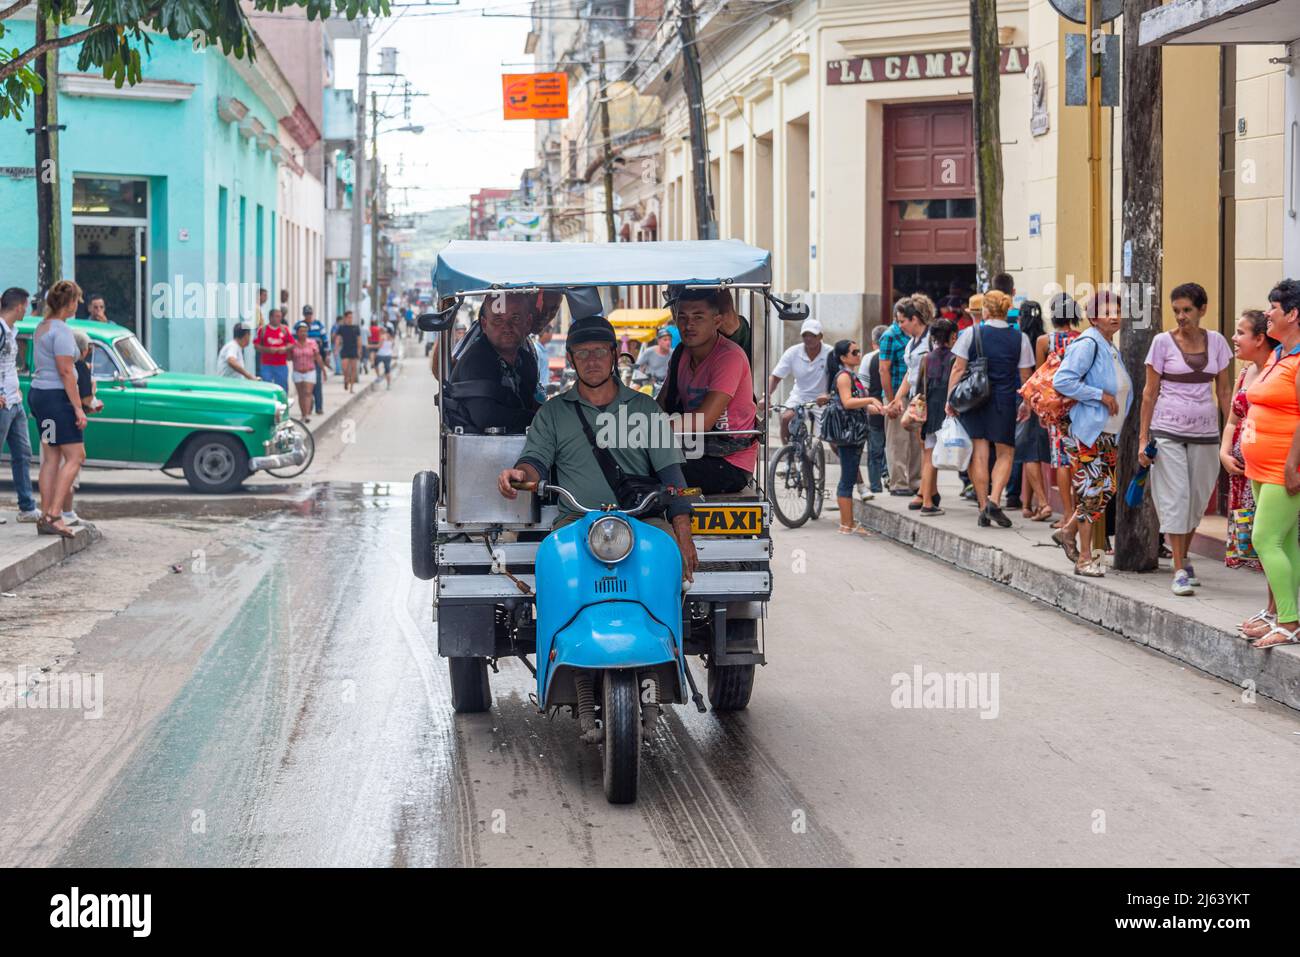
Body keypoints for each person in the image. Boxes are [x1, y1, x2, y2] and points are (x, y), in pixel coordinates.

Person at [496, 315, 698, 580]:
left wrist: (683, 535)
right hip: (575, 522)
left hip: (641, 519)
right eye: (582, 353)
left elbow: (672, 476)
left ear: (614, 354)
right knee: (553, 570)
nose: (592, 360)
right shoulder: (552, 413)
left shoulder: (645, 408)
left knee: (669, 569)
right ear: (571, 359)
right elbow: (535, 462)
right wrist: (520, 475)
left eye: (600, 351)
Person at [1138, 282, 1234, 596]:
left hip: (1206, 433)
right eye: (1176, 310)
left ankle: (1184, 556)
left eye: (1187, 310)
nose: (1181, 316)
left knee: (1196, 501)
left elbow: (1223, 391)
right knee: (1175, 497)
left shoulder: (1217, 342)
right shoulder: (1162, 343)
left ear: (1202, 309)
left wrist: (1233, 433)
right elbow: (1149, 394)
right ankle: (1178, 567)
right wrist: (1143, 440)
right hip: (1167, 432)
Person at [1050, 290, 1133, 577]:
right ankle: (1084, 558)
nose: (1114, 316)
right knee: (1093, 491)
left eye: (1117, 310)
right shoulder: (1087, 343)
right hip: (1088, 432)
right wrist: (1099, 395)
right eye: (1107, 311)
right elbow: (1063, 381)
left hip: (1107, 433)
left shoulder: (1108, 345)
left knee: (1105, 489)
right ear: (1094, 318)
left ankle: (1068, 531)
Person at [1238, 279, 1300, 648]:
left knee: (1264, 539)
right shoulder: (1280, 356)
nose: (1267, 314)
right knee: (1287, 542)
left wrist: (1293, 465)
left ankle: (1290, 622)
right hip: (1261, 466)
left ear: (1293, 314)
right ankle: (1284, 614)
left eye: (1273, 308)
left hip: (1283, 466)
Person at [945, 290, 1035, 528]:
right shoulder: (1021, 339)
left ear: (985, 310)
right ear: (1007, 311)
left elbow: (957, 368)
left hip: (974, 399)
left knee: (980, 453)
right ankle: (995, 500)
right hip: (1004, 401)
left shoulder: (971, 333)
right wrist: (1026, 403)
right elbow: (1026, 375)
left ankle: (984, 506)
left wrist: (950, 399)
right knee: (1006, 453)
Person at [658, 288, 757, 495]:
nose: (689, 324)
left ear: (717, 321)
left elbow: (704, 421)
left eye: (698, 317)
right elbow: (662, 403)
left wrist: (650, 428)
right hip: (692, 450)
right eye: (682, 317)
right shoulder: (680, 354)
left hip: (729, 463)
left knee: (646, 473)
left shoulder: (729, 357)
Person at [1222, 310, 1277, 636]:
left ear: (1259, 339)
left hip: (1269, 469)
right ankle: (1271, 608)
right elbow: (1232, 419)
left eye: (1241, 332)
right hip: (1243, 473)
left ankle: (1278, 610)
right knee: (1258, 543)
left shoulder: (1277, 371)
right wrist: (1224, 451)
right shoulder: (1245, 374)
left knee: (1273, 541)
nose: (1234, 338)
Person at [27, 280, 86, 539]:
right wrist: (78, 408)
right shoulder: (61, 330)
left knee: (51, 457)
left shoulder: (42, 327)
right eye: (77, 301)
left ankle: (46, 515)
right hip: (56, 399)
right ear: (70, 303)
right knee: (76, 457)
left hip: (40, 396)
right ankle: (54, 515)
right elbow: (65, 371)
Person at [443, 292, 541, 434]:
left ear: (528, 322)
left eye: (515, 318)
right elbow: (487, 418)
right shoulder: (475, 362)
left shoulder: (527, 361)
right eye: (498, 320)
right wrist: (539, 419)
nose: (507, 327)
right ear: (484, 324)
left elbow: (529, 404)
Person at [825, 339, 882, 533]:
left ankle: (848, 523)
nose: (858, 354)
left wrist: (881, 408)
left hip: (856, 433)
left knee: (849, 475)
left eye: (858, 351)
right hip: (847, 434)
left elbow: (860, 406)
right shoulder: (843, 376)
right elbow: (848, 402)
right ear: (843, 357)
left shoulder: (852, 375)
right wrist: (872, 398)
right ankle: (846, 525)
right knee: (847, 478)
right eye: (854, 352)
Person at [1038, 293, 1082, 528]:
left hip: (1055, 408)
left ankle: (1067, 514)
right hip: (1080, 405)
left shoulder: (1044, 342)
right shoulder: (1083, 339)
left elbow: (1040, 377)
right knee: (1078, 460)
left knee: (1063, 462)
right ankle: (1078, 515)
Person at [887, 293, 935, 509]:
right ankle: (928, 491)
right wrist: (897, 398)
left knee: (927, 446)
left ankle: (926, 494)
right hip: (918, 397)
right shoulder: (911, 343)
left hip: (930, 396)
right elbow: (910, 373)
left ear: (914, 319)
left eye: (902, 320)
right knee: (924, 444)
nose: (900, 325)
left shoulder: (931, 340)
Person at [1010, 300, 1054, 521]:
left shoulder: (1024, 341)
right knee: (1039, 454)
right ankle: (1029, 503)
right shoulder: (1047, 339)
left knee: (1029, 453)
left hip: (1031, 400)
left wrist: (1026, 402)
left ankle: (1038, 504)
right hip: (1050, 401)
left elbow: (1031, 375)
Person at [879, 298, 926, 495]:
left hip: (914, 395)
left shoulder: (914, 338)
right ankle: (898, 482)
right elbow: (884, 370)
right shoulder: (890, 336)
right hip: (897, 393)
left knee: (916, 441)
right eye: (899, 320)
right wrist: (892, 400)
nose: (901, 324)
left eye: (903, 320)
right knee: (898, 441)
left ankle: (915, 481)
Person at [0, 287, 39, 523]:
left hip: (15, 402)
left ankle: (27, 507)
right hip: (3, 403)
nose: (27, 309)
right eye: (26, 305)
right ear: (19, 306)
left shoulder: (11, 331)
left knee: (23, 453)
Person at [917, 318, 958, 516]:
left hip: (930, 414)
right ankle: (927, 501)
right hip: (948, 413)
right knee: (934, 459)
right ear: (952, 336)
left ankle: (928, 496)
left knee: (928, 458)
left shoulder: (926, 359)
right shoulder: (955, 359)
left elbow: (919, 390)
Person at [767, 317, 829, 444]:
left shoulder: (830, 353)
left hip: (823, 399)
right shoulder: (793, 352)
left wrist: (829, 395)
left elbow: (839, 378)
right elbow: (776, 376)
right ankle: (789, 454)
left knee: (831, 436)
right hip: (800, 396)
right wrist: (766, 395)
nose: (808, 338)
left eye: (812, 335)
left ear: (821, 336)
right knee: (786, 418)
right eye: (805, 335)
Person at [61, 329, 100, 527]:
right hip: (70, 420)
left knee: (50, 463)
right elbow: (86, 400)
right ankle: (65, 511)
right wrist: (91, 394)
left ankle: (52, 510)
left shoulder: (57, 363)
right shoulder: (78, 367)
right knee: (73, 462)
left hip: (48, 417)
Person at [859, 323, 889, 500]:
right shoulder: (895, 355)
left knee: (875, 451)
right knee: (894, 448)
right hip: (895, 408)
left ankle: (876, 485)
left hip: (875, 410)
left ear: (873, 343)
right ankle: (893, 479)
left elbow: (864, 388)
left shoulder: (869, 358)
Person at [290, 322, 328, 420]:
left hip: (310, 371)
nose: (303, 333)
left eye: (305, 331)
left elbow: (317, 357)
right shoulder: (293, 344)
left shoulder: (312, 343)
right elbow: (289, 358)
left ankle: (306, 415)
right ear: (297, 333)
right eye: (301, 331)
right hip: (297, 372)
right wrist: (288, 350)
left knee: (308, 393)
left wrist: (323, 370)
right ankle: (303, 413)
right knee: (301, 394)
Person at [254, 308, 293, 394]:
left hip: (281, 365)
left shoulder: (284, 329)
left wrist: (284, 348)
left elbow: (292, 343)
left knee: (282, 388)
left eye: (280, 317)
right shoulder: (262, 330)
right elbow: (256, 345)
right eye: (277, 316)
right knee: (266, 387)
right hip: (266, 365)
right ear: (271, 317)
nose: (279, 319)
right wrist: (267, 350)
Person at [304, 306, 329, 415]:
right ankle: (308, 406)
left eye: (310, 314)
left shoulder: (318, 325)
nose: (308, 316)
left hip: (317, 358)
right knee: (307, 385)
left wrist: (327, 355)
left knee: (317, 383)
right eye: (306, 314)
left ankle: (319, 407)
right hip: (304, 359)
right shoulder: (300, 325)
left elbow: (325, 340)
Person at [333, 311, 362, 392]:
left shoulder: (356, 327)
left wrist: (359, 351)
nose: (350, 319)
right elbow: (338, 339)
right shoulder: (341, 328)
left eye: (351, 317)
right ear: (345, 318)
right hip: (345, 349)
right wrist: (336, 349)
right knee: (345, 368)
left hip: (354, 349)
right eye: (349, 317)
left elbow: (359, 340)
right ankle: (346, 379)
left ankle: (351, 388)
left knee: (353, 369)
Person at [374, 324, 395, 390]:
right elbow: (392, 346)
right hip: (388, 355)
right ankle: (388, 385)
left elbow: (379, 346)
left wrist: (369, 346)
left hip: (380, 354)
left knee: (375, 364)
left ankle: (378, 376)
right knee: (387, 371)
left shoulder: (382, 337)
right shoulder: (392, 338)